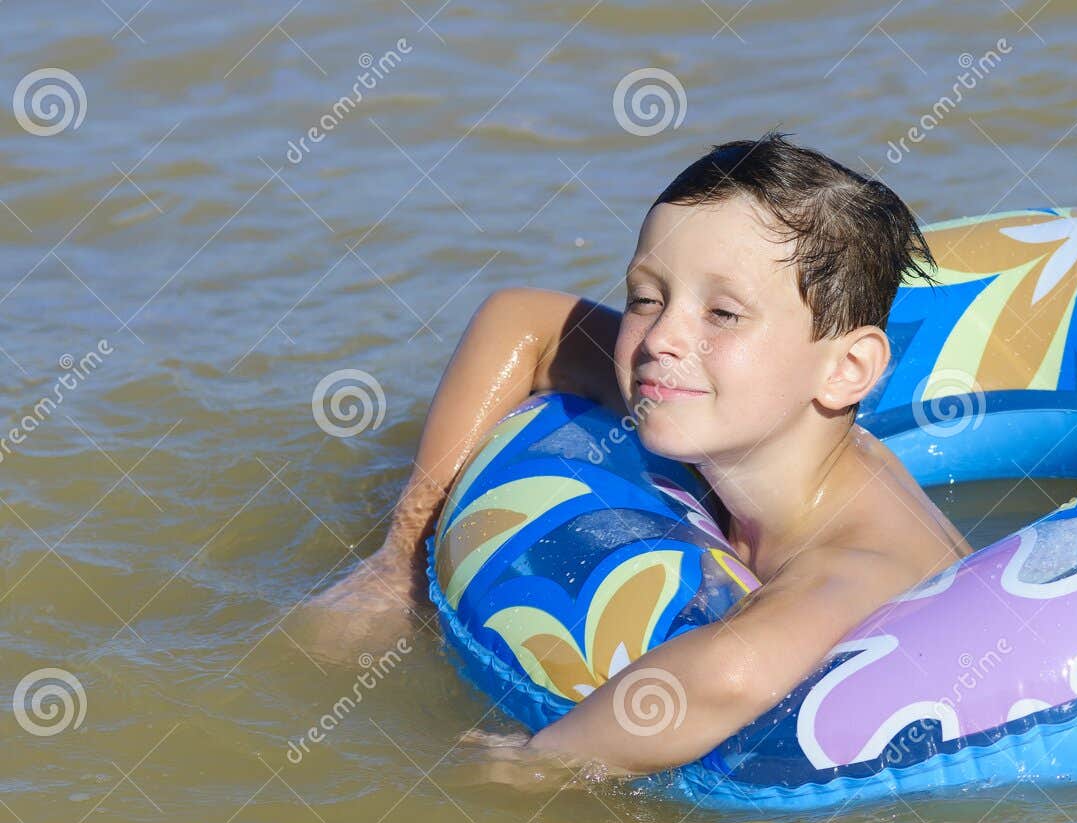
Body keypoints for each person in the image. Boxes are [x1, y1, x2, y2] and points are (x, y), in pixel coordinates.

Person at [296, 130, 972, 785]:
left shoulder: (858, 566)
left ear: (848, 368)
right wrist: (401, 560)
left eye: (723, 314)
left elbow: (728, 676)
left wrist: (539, 762)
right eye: (647, 296)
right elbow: (521, 321)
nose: (661, 338)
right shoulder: (718, 403)